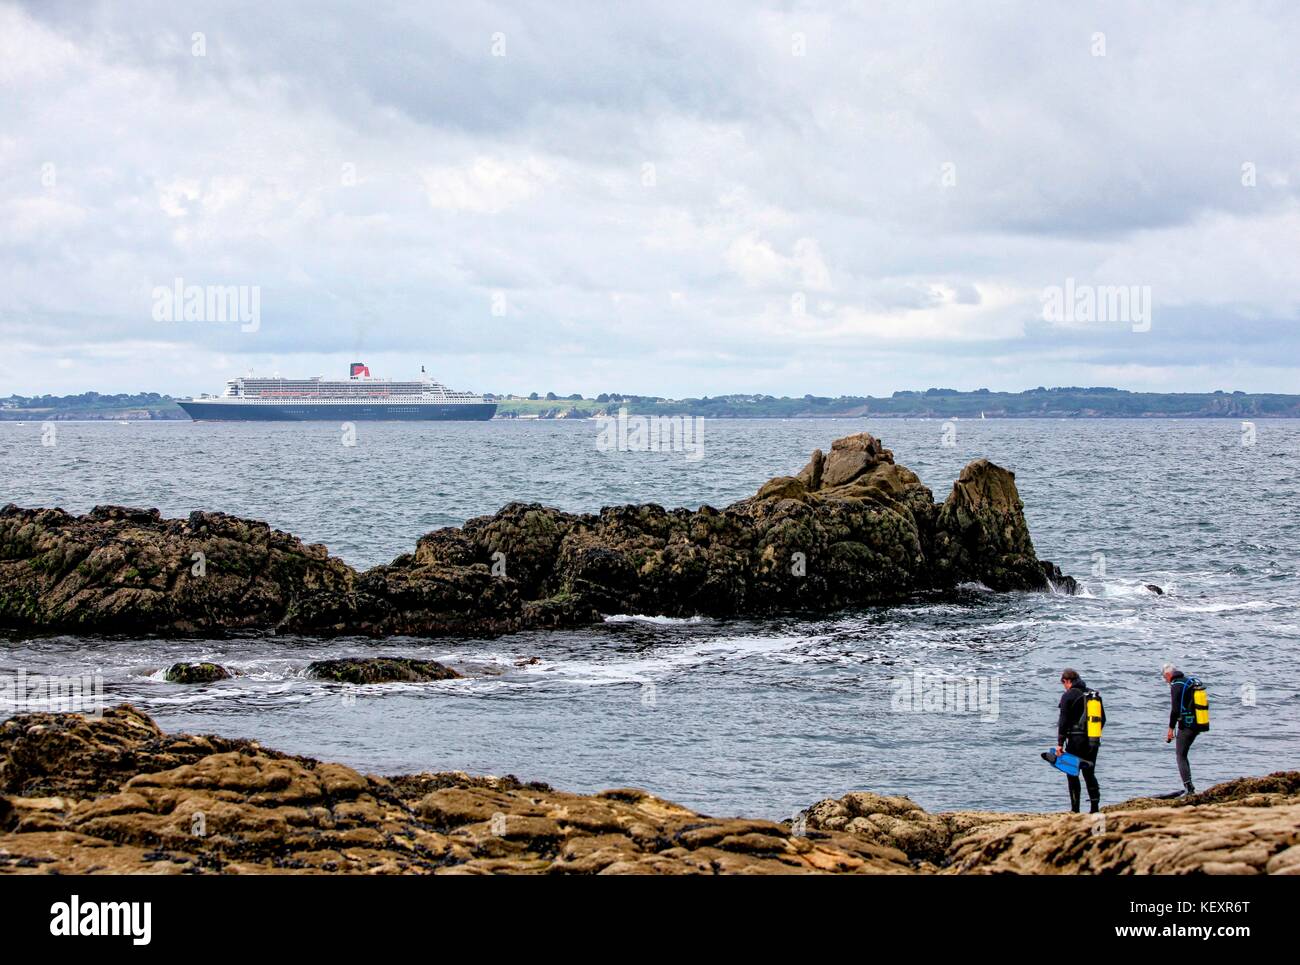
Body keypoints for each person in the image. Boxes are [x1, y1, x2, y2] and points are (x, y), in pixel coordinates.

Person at [1056, 668, 1103, 813]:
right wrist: (1093, 736)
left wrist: (1059, 744)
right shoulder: (1093, 695)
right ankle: (1094, 808)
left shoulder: (1068, 695)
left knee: (1072, 773)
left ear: (1067, 681)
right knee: (1089, 773)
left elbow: (1063, 721)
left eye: (1063, 683)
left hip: (1075, 741)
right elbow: (1103, 719)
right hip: (1093, 740)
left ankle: (1075, 809)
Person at [1163, 663, 1198, 795]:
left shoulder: (1176, 685)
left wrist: (1171, 728)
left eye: (1164, 678)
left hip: (1187, 725)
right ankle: (1189, 787)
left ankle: (1189, 789)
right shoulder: (1188, 681)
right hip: (1198, 723)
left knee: (1180, 755)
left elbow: (1175, 710)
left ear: (1168, 675)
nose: (1165, 681)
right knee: (1183, 754)